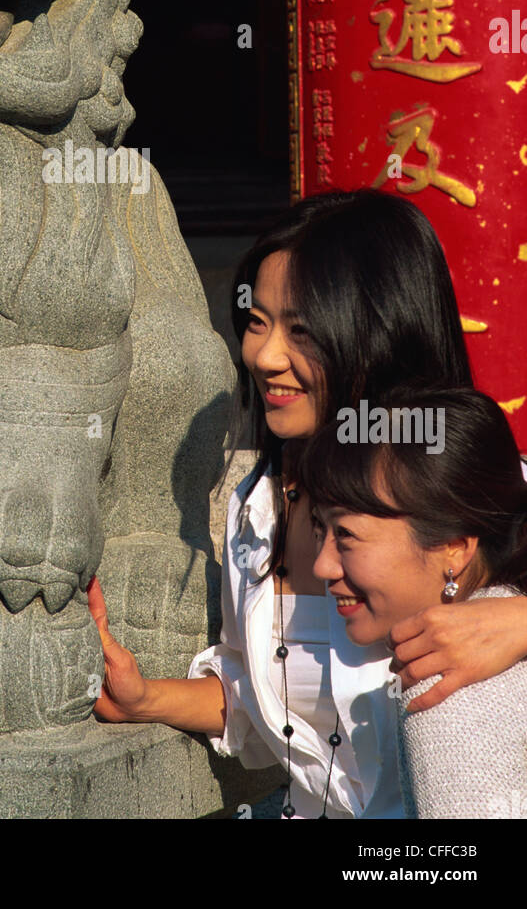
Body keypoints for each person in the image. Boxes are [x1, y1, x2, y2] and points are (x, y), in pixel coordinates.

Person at [88, 189, 527, 818]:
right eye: (258, 321)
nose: (264, 356)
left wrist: (520, 622)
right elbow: (264, 699)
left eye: (302, 330)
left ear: (379, 333)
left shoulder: (477, 489)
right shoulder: (259, 508)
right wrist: (143, 699)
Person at [298, 386, 527, 819]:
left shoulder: (448, 682)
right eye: (320, 529)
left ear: (453, 549)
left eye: (345, 534)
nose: (322, 566)